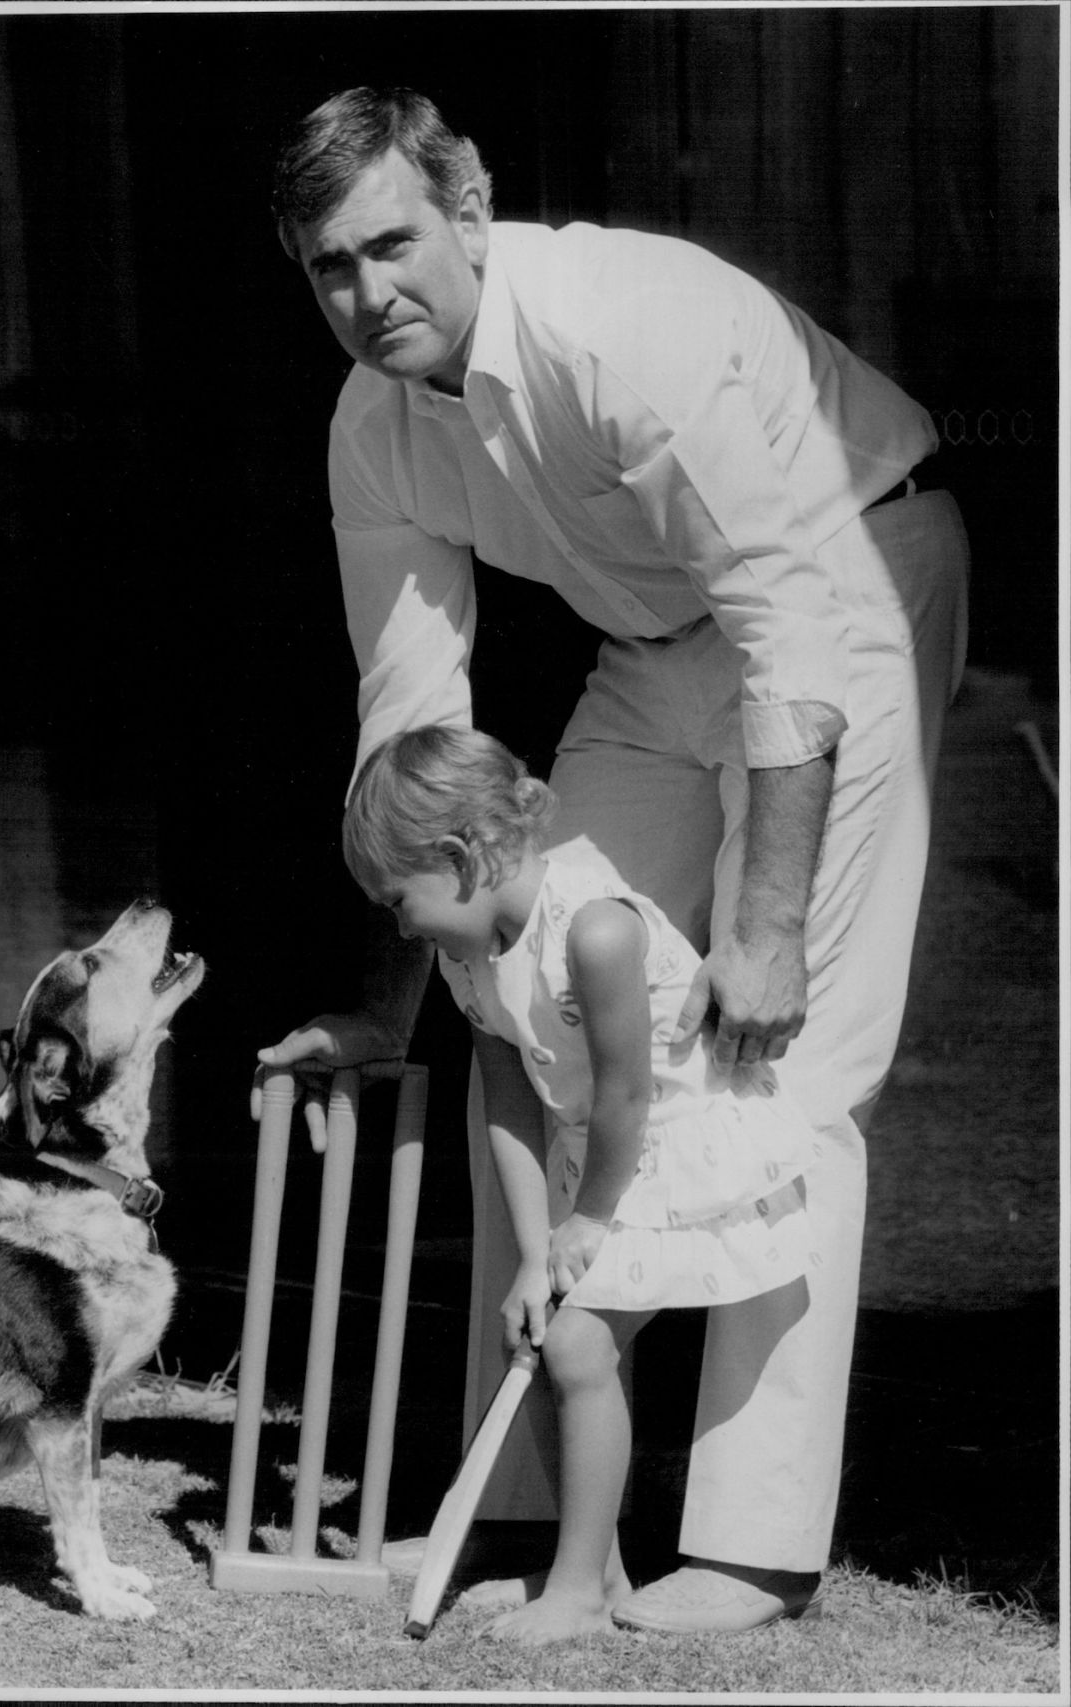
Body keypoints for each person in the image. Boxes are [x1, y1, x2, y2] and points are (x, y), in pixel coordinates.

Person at [258, 86, 969, 1632]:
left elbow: (792, 636)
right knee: (526, 999)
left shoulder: (619, 332)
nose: (368, 293)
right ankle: (518, 1498)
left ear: (468, 209)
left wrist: (765, 924)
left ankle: (754, 1544)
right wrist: (402, 992)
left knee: (782, 1052)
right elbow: (413, 743)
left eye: (391, 243)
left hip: (847, 572)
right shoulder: (372, 427)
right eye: (329, 266)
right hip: (655, 643)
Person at [342, 724, 821, 1644]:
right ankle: (592, 1568)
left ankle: (580, 1594)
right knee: (544, 1334)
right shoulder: (467, 959)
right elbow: (510, 1100)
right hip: (597, 1153)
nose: (401, 928)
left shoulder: (595, 930)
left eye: (400, 901)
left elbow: (627, 1094)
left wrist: (588, 1221)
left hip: (669, 1146)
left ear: (461, 858)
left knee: (574, 1345)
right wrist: (535, 1252)